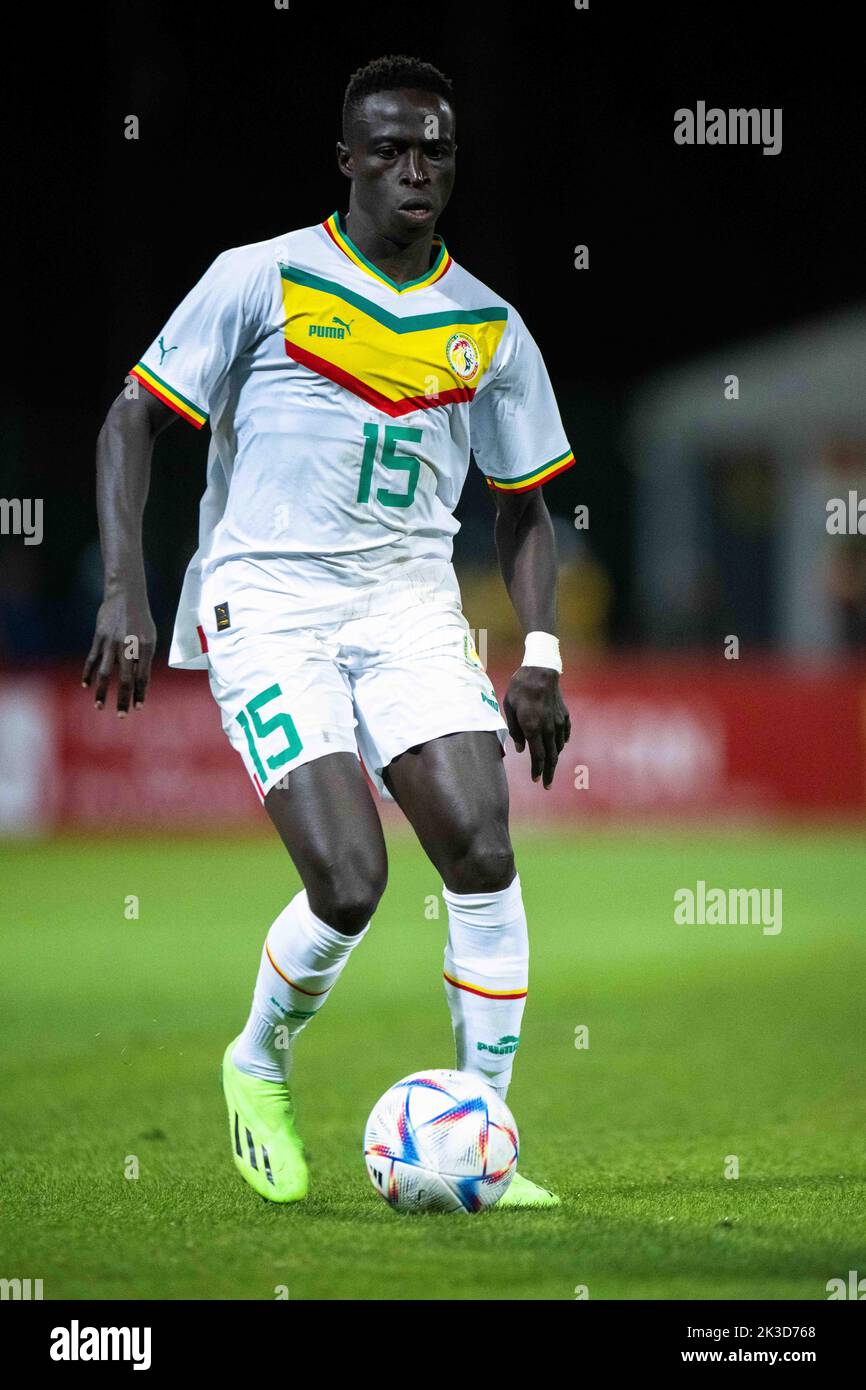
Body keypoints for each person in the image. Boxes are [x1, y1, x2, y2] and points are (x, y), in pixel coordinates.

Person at [84, 55, 574, 1208]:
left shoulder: (488, 327)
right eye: (391, 149)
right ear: (346, 160)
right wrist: (123, 588)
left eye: (436, 150)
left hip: (406, 602)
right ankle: (256, 1059)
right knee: (351, 881)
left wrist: (540, 654)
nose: (416, 169)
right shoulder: (259, 279)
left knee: (484, 853)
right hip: (270, 598)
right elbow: (131, 417)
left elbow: (524, 505)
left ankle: (485, 1139)